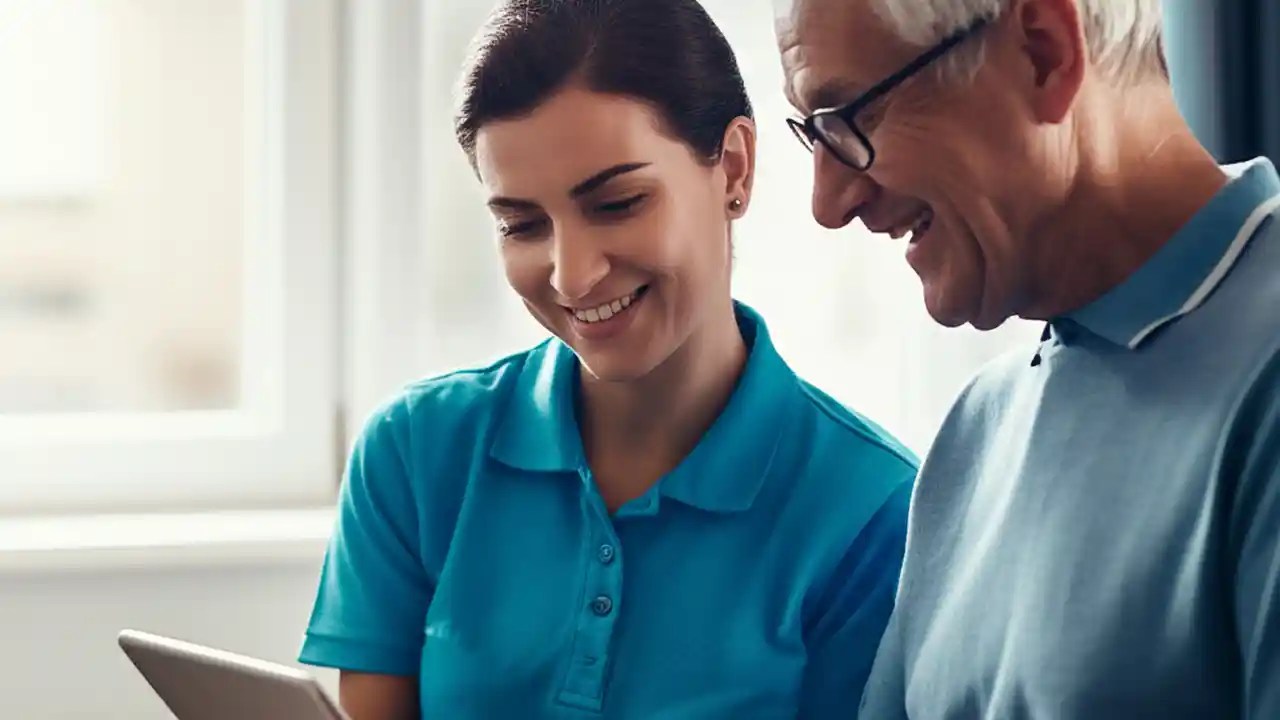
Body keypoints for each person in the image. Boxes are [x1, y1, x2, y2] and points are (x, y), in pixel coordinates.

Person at [299, 1, 917, 717]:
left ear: (735, 169)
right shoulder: (412, 454)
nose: (571, 275)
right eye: (522, 225)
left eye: (617, 203)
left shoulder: (872, 508)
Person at [772, 0, 1280, 717]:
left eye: (853, 117)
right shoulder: (974, 433)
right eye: (813, 134)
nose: (829, 201)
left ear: (1043, 52)